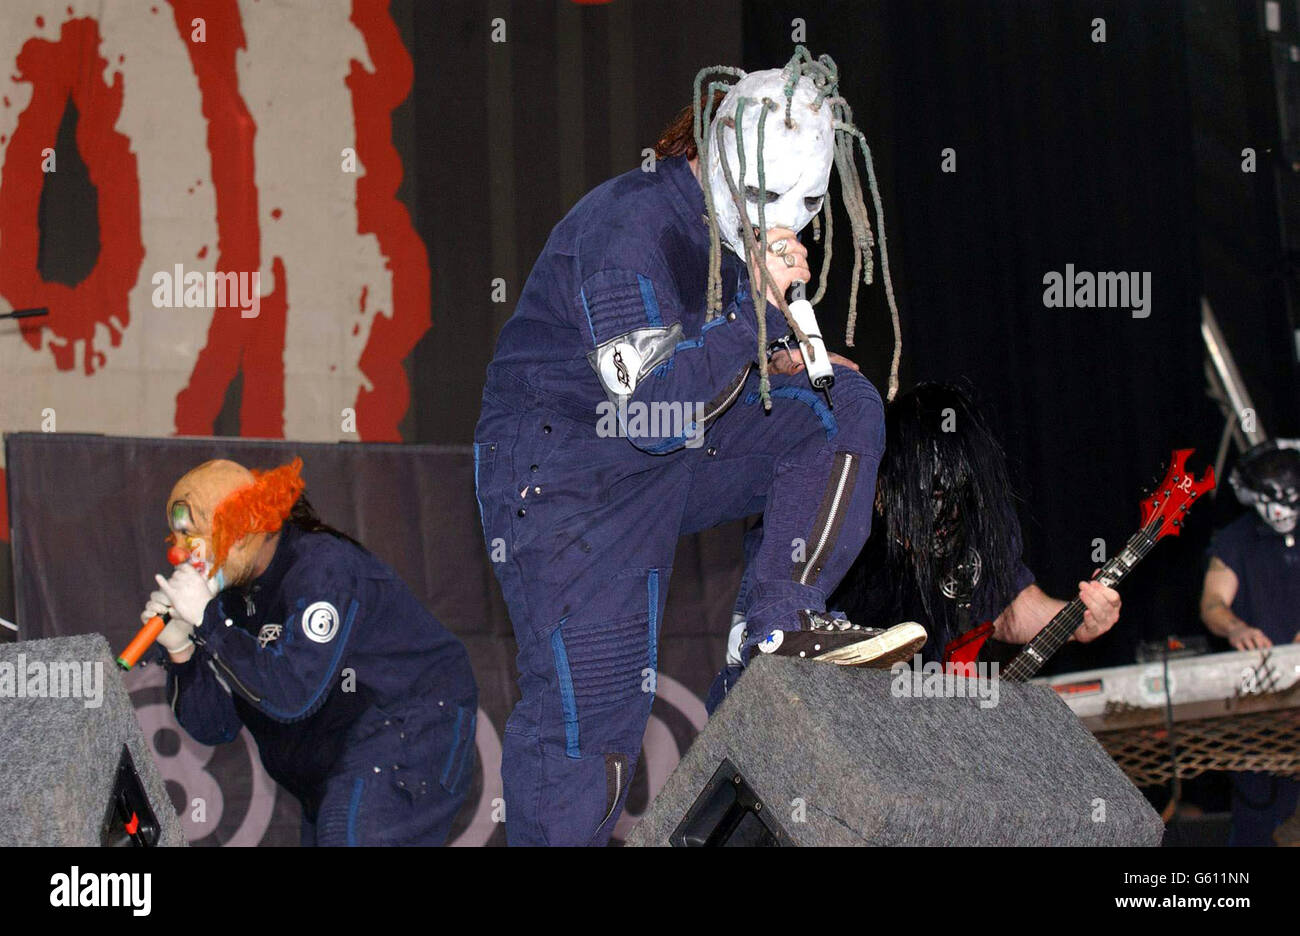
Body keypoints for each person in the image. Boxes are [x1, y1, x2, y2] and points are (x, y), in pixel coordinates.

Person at [474, 48, 909, 845]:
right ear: (718, 156)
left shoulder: (728, 236)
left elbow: (696, 372)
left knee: (838, 405)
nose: (786, 219)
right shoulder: (631, 222)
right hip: (568, 472)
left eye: (800, 205)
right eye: (769, 196)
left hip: (668, 454)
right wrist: (756, 316)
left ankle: (777, 627)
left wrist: (774, 349)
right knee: (594, 727)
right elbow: (650, 408)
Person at [709, 382, 1121, 709]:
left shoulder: (971, 524)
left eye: (955, 503)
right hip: (797, 709)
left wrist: (1078, 624)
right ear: (885, 486)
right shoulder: (832, 513)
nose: (945, 521)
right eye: (931, 500)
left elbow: (1009, 611)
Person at [145, 457, 478, 846]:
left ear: (244, 525)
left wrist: (209, 622)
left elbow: (293, 693)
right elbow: (216, 725)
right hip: (334, 768)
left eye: (193, 536)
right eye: (178, 539)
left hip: (406, 733)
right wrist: (182, 650)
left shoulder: (321, 566)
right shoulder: (229, 600)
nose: (181, 554)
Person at [1199, 439, 1300, 845]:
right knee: (1257, 816)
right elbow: (1212, 603)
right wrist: (1236, 627)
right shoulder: (1236, 539)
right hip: (1257, 701)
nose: (1279, 511)